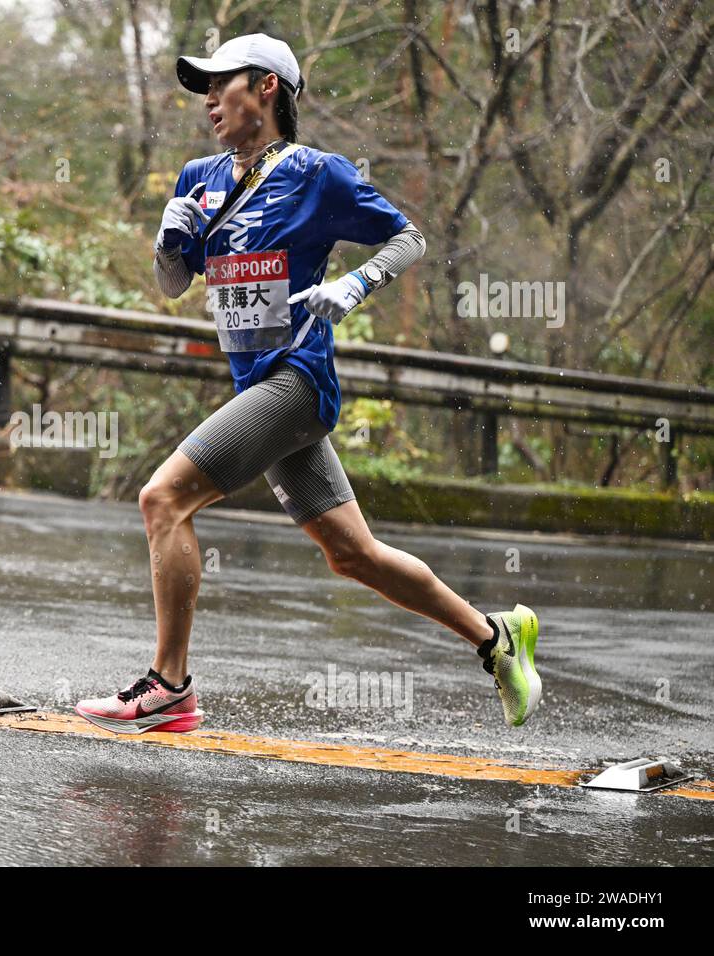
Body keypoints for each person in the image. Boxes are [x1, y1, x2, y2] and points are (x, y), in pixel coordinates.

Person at [75, 33, 540, 735]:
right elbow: (174, 286)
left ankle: (170, 687)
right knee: (353, 554)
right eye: (202, 87)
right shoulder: (197, 176)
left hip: (296, 381)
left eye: (219, 83)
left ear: (265, 87)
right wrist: (167, 244)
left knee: (162, 497)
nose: (207, 100)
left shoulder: (317, 174)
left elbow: (407, 238)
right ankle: (496, 640)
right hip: (257, 387)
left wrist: (354, 284)